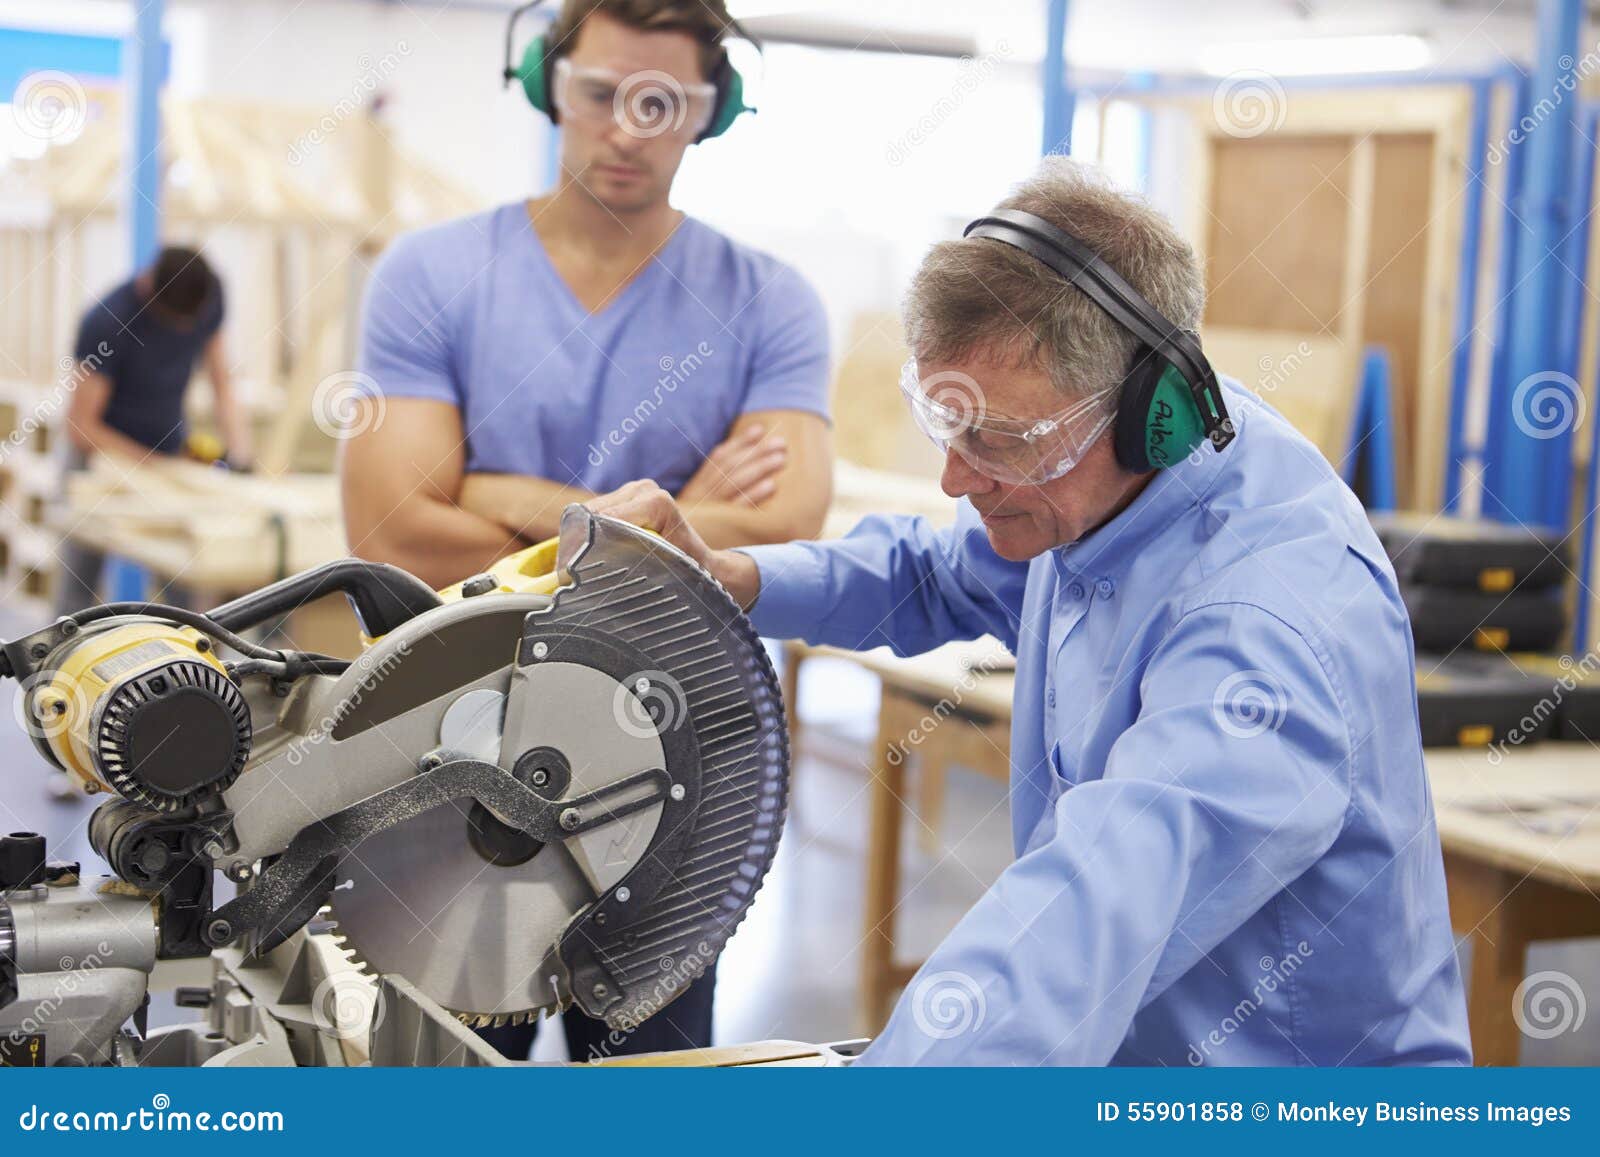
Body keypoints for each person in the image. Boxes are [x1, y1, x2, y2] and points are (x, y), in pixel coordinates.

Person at [580, 158, 1474, 1066]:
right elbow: (936, 573)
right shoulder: (1098, 479)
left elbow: (1089, 912)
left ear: (1150, 412)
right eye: (948, 423)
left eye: (999, 440)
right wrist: (727, 575)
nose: (955, 478)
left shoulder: (1266, 627)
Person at [341, 0, 832, 1060]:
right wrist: (657, 517)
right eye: (600, 92)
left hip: (675, 766)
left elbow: (787, 525)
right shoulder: (431, 275)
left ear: (714, 112)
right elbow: (392, 529)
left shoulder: (769, 301)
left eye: (664, 103)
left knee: (649, 1083)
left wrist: (486, 491)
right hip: (447, 749)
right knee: (447, 1078)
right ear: (545, 84)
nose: (626, 128)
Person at [57, 245, 252, 614]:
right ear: (150, 293)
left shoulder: (207, 297)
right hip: (99, 462)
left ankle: (195, 650)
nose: (187, 331)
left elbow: (222, 384)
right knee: (77, 590)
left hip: (165, 452)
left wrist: (240, 455)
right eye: (177, 323)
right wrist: (152, 464)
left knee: (185, 583)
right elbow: (81, 427)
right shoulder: (107, 323)